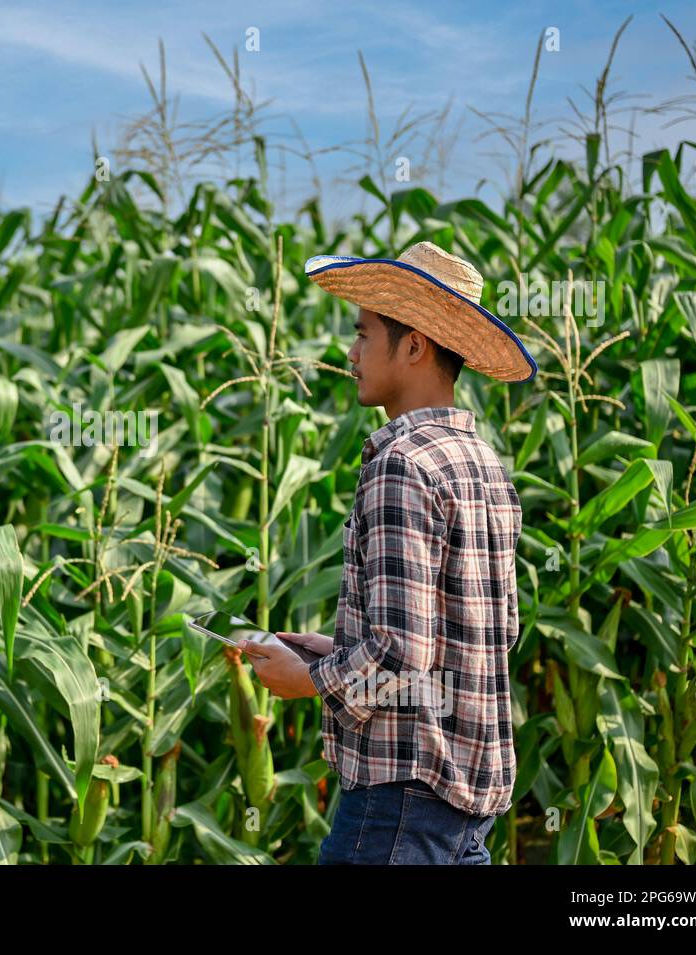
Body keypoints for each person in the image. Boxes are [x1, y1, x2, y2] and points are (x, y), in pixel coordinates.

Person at [238, 240, 537, 864]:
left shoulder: (401, 465)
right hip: (466, 815)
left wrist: (309, 679)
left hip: (397, 810)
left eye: (363, 334)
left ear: (414, 345)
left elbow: (403, 653)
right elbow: (492, 633)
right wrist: (340, 652)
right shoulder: (485, 467)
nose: (350, 354)